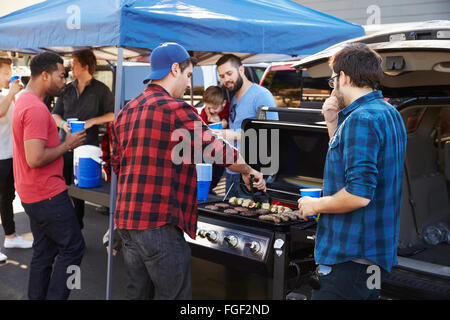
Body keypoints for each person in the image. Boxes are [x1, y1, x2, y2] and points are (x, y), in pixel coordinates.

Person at [111, 42, 266, 300]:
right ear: (175, 69)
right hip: (158, 224)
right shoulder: (176, 109)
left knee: (137, 295)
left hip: (127, 223)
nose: (187, 83)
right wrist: (249, 169)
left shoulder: (127, 110)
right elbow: (217, 150)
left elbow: (118, 165)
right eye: (188, 75)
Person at [297, 43, 407, 300]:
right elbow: (355, 162)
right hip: (374, 256)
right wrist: (332, 122)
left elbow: (358, 195)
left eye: (333, 79)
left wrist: (316, 205)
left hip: (350, 257)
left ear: (343, 77)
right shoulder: (389, 113)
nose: (332, 86)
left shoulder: (361, 119)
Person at [12, 52, 86, 300]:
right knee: (74, 248)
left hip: (35, 193)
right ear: (45, 75)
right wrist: (68, 144)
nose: (64, 81)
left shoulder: (24, 99)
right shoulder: (34, 107)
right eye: (61, 75)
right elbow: (35, 158)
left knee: (44, 252)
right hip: (44, 194)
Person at [51, 49, 115, 229]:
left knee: (81, 193)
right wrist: (64, 125)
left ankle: (76, 229)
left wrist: (92, 121)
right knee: (63, 189)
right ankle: (66, 229)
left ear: (85, 66)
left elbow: (114, 115)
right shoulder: (66, 90)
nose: (71, 67)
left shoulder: (101, 90)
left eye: (74, 63)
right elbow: (54, 115)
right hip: (64, 147)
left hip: (88, 150)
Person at [215, 54, 278, 198]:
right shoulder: (233, 98)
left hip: (253, 174)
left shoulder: (261, 95)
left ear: (241, 70)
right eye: (222, 76)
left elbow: (272, 134)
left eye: (229, 73)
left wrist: (234, 134)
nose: (226, 79)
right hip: (232, 172)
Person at [0, 57, 32, 263]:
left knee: (7, 198)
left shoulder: (7, 94)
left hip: (10, 156)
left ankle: (10, 237)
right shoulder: (7, 94)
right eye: (5, 72)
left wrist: (17, 92)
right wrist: (12, 91)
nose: (9, 75)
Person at [199, 86, 230, 190]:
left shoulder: (228, 110)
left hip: (223, 150)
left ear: (223, 104)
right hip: (208, 151)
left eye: (215, 108)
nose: (211, 110)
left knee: (218, 172)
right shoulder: (204, 113)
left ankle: (212, 187)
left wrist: (222, 124)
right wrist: (213, 121)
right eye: (208, 107)